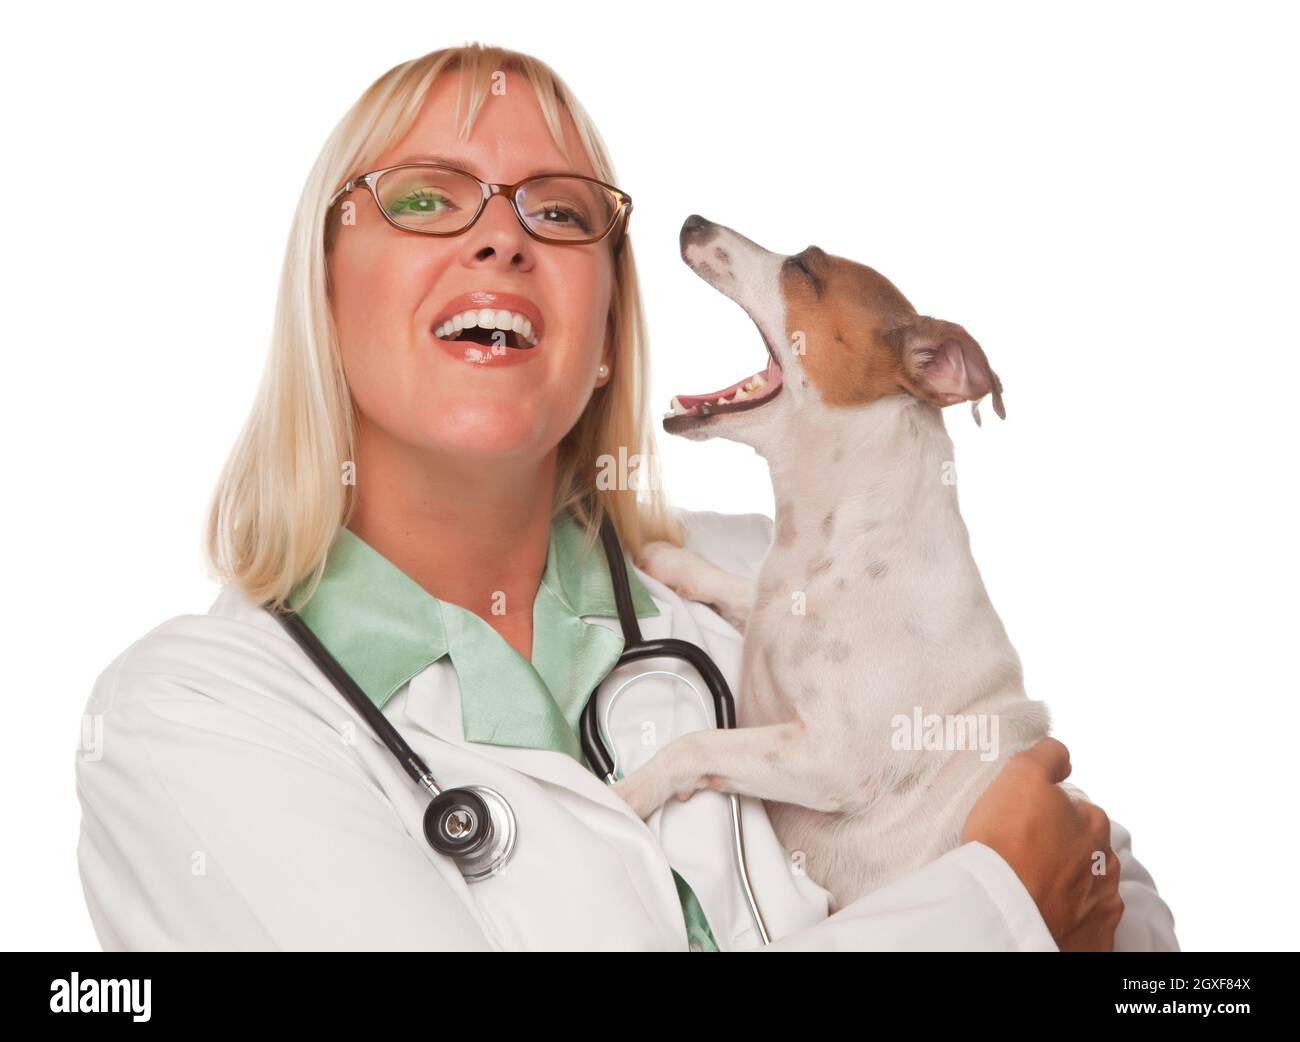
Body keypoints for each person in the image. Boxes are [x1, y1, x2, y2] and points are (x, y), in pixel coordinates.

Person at [73, 42, 1178, 951]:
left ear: (604, 333)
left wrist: (1034, 889)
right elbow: (1033, 891)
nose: (500, 235)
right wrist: (989, 917)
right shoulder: (189, 720)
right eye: (424, 199)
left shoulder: (759, 577)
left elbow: (1108, 896)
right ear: (323, 294)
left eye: (557, 214)